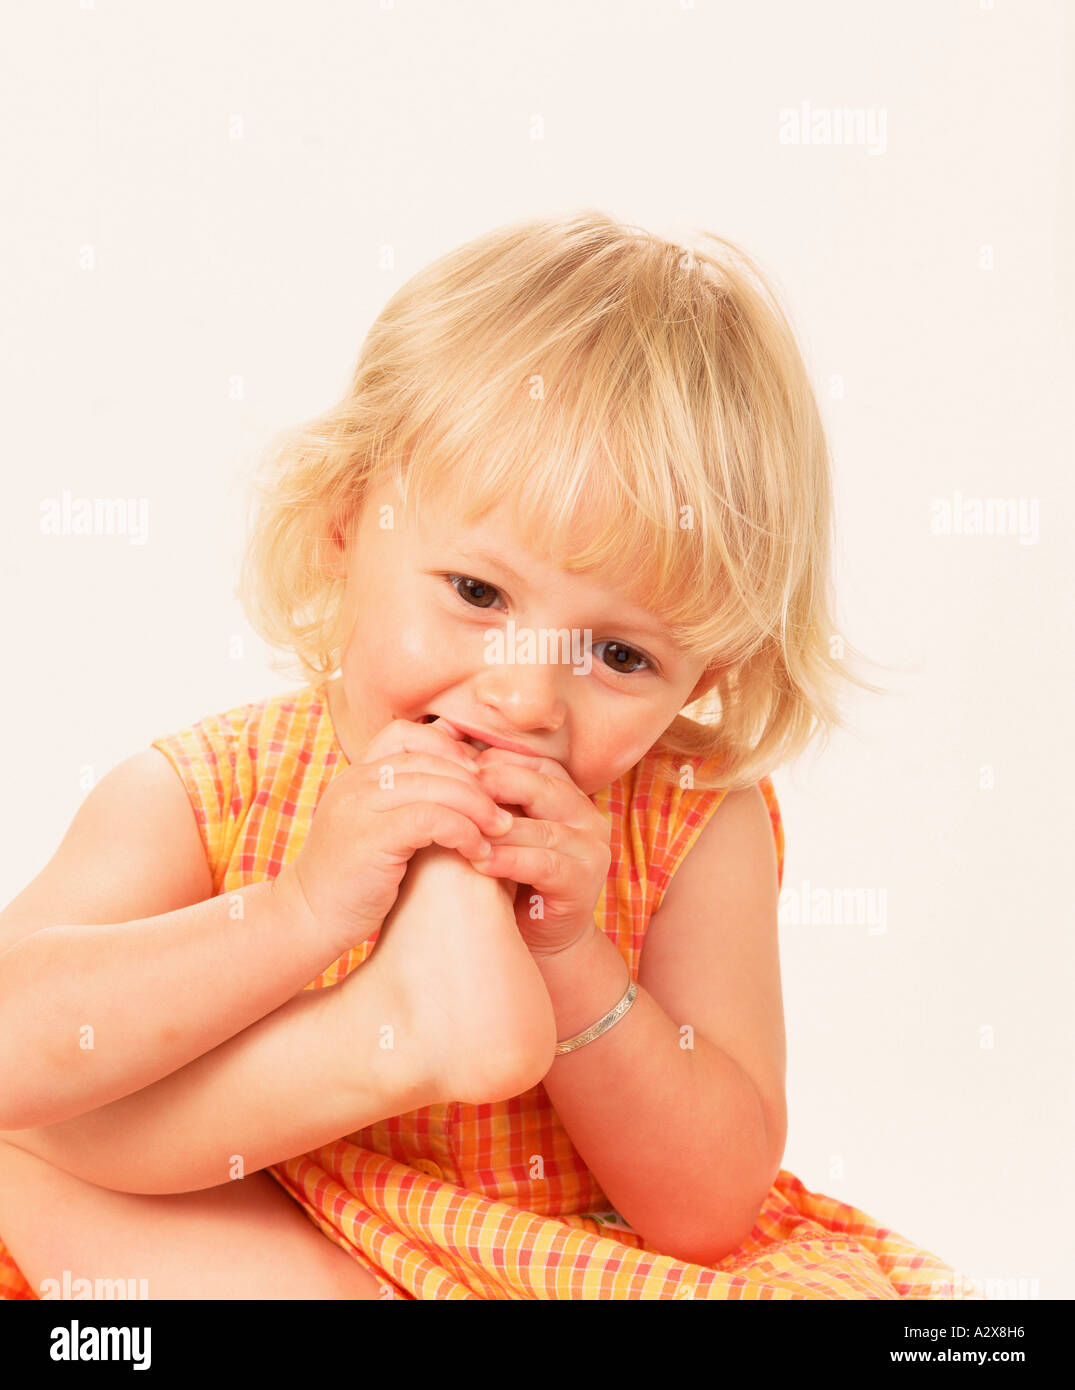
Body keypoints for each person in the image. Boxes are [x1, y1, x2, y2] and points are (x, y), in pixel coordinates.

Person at [0, 211, 977, 1300]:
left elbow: (705, 1208)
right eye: (477, 593)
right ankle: (385, 1032)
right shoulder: (215, 789)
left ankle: (400, 1030)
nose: (524, 695)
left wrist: (571, 964)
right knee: (26, 1147)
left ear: (701, 681)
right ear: (340, 523)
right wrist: (300, 913)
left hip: (559, 1263)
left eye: (618, 653)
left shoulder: (689, 822)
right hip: (270, 1232)